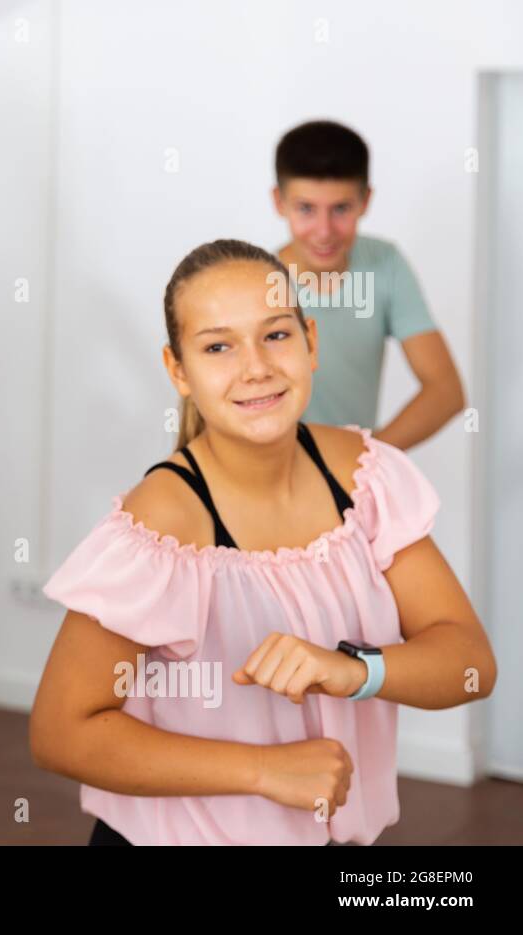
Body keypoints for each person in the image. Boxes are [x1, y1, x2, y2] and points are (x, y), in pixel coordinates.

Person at [29, 239, 495, 846]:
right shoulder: (161, 522)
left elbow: (469, 663)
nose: (255, 367)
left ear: (311, 343)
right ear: (179, 371)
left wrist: (353, 668)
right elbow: (61, 732)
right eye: (218, 346)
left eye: (275, 335)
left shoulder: (364, 475)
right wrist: (263, 771)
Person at [271, 120, 465, 450]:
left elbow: (446, 391)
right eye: (306, 209)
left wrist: (364, 460)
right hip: (268, 478)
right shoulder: (254, 280)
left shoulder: (385, 264)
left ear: (366, 201)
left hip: (354, 483)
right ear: (280, 202)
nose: (324, 231)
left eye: (341, 209)